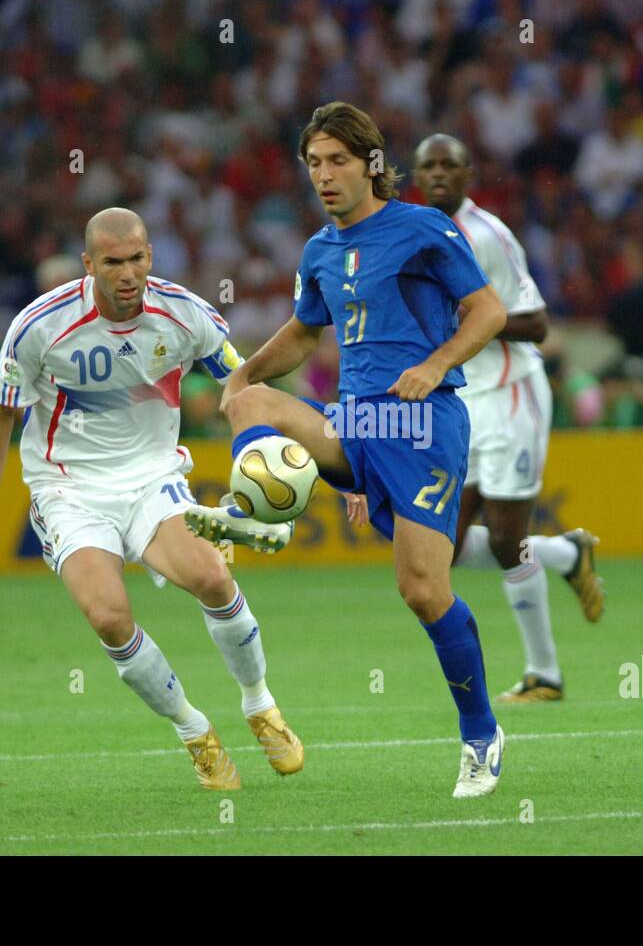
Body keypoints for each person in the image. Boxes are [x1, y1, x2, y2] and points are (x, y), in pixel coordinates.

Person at [184, 102, 510, 798]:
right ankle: (256, 510)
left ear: (371, 164)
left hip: (421, 425)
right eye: (313, 163)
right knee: (249, 400)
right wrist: (239, 371)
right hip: (355, 422)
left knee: (422, 590)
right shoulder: (319, 250)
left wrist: (434, 363)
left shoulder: (424, 228)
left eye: (337, 161)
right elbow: (304, 336)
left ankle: (482, 734)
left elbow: (489, 310)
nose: (324, 176)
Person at [0, 207, 303, 792]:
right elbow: (0, 413)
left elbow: (245, 383)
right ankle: (194, 731)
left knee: (214, 580)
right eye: (113, 262)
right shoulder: (38, 327)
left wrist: (316, 453)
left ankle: (260, 705)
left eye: (137, 259)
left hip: (151, 478)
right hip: (67, 487)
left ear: (151, 256)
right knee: (108, 615)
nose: (128, 274)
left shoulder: (185, 314)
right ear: (89, 264)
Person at [407, 131, 603, 707]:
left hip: (511, 391)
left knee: (509, 539)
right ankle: (569, 553)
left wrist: (466, 325)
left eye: (451, 164)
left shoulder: (489, 234)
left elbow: (537, 323)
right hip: (463, 398)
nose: (440, 173)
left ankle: (546, 673)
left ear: (469, 175)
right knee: (446, 543)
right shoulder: (415, 231)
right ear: (416, 176)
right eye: (429, 165)